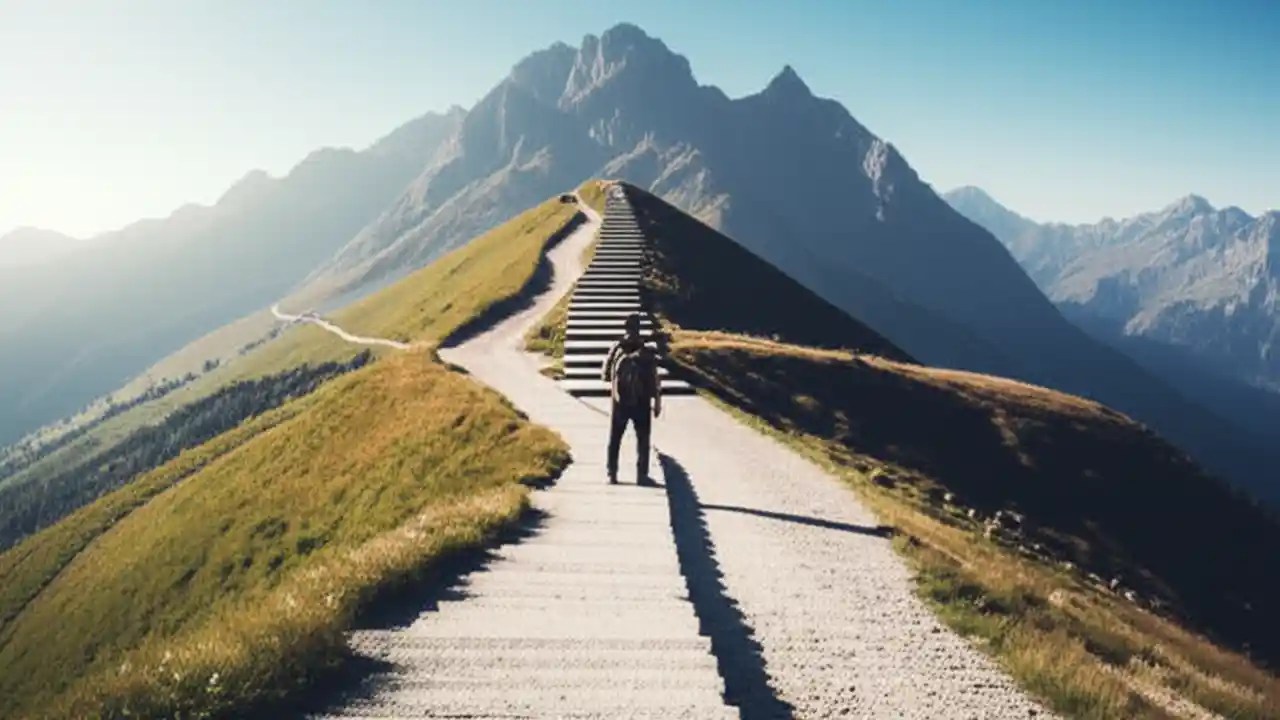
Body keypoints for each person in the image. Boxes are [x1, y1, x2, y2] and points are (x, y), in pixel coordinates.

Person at [601, 313, 661, 484]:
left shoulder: (617, 348)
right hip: (642, 402)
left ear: (625, 327)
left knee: (615, 438)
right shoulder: (646, 350)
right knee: (643, 439)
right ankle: (641, 475)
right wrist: (657, 402)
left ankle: (612, 473)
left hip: (620, 402)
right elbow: (655, 379)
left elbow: (604, 375)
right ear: (639, 328)